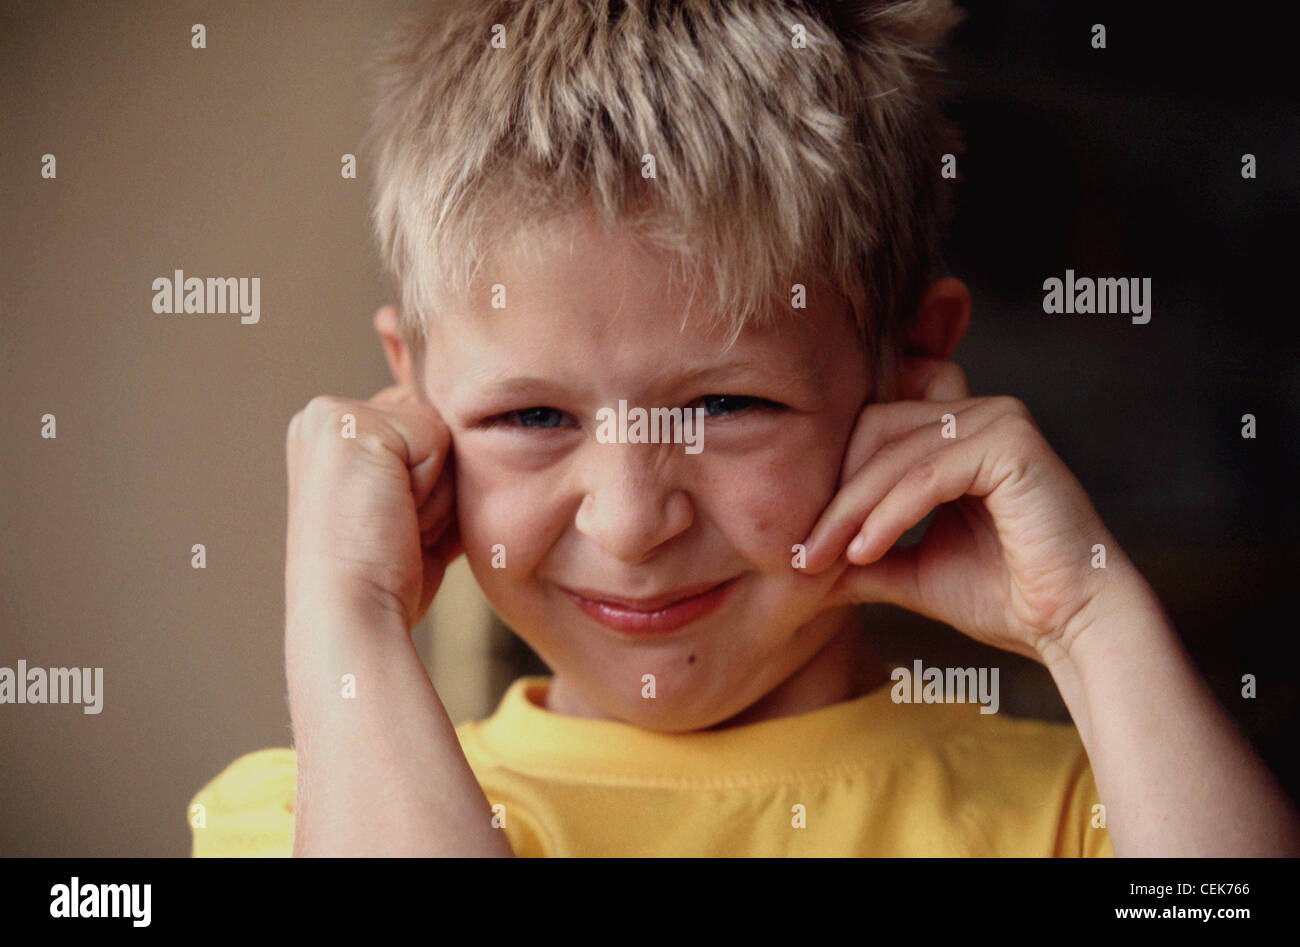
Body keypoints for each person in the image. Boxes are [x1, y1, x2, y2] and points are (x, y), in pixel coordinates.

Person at [188, 0, 1300, 857]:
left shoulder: (1092, 809)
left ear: (909, 371)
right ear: (412, 398)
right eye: (529, 414)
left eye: (725, 404)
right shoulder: (305, 806)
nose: (629, 523)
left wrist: (1091, 622)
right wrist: (347, 613)